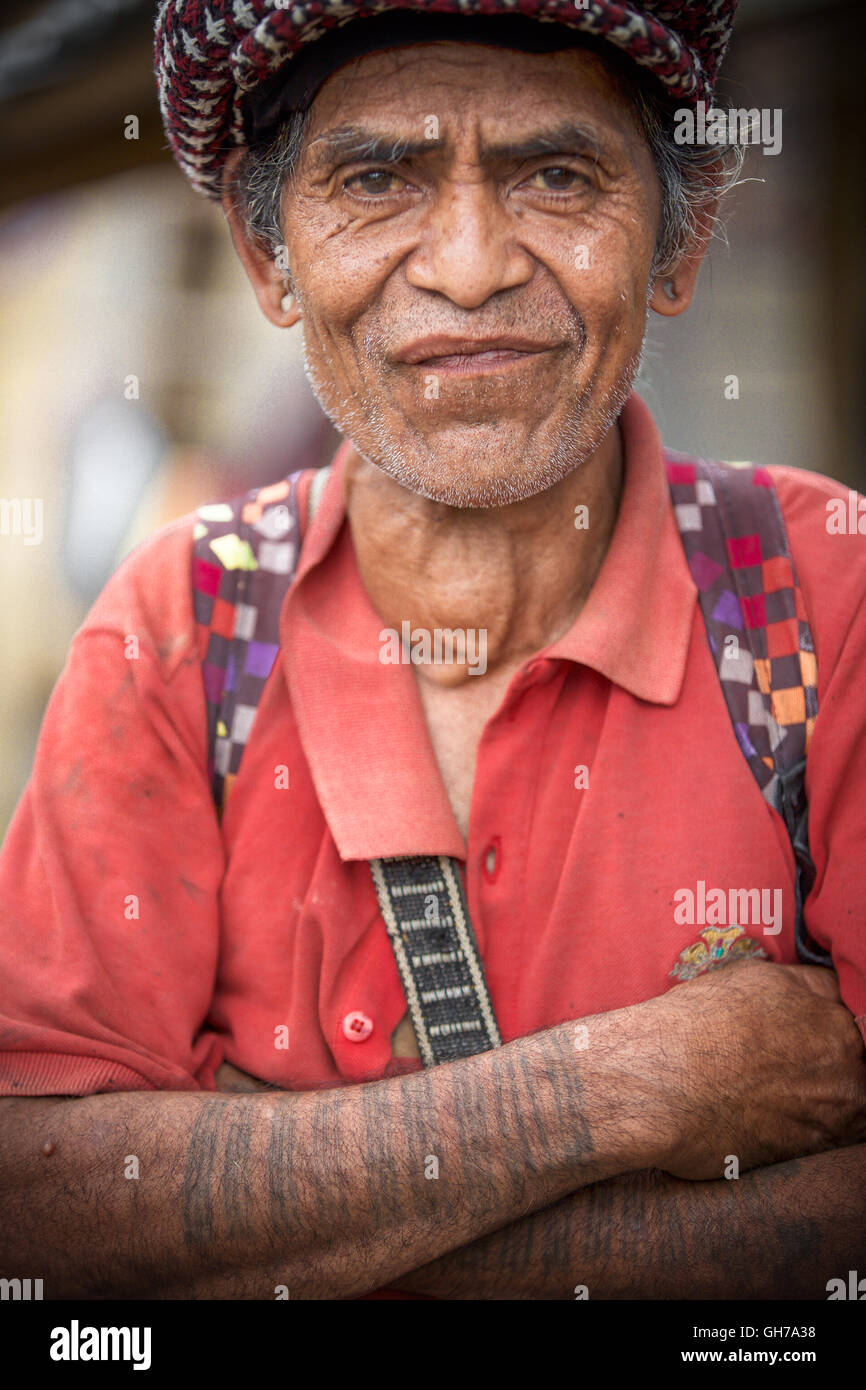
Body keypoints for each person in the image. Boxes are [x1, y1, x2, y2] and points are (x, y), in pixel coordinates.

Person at [0, 0, 864, 1300]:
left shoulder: (827, 589)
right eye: (375, 178)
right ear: (267, 255)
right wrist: (618, 1093)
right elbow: (46, 1206)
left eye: (558, 174)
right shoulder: (181, 620)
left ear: (675, 242)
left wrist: (270, 1194)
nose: (467, 267)